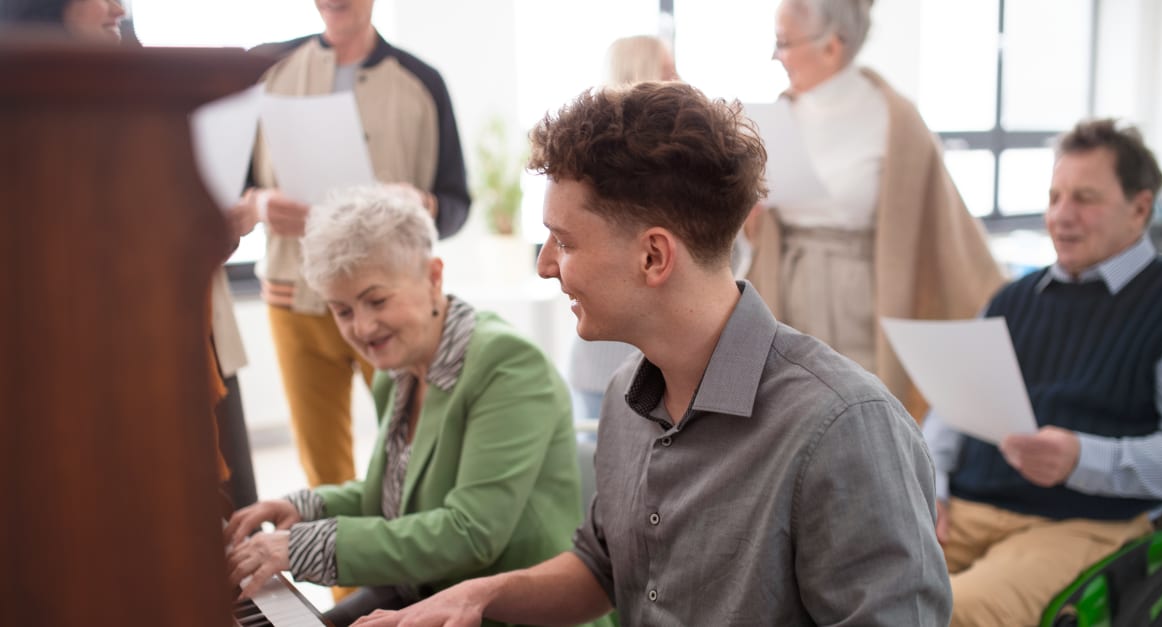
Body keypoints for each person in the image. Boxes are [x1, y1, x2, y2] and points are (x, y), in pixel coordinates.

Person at [350, 82, 951, 627]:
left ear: (654, 257)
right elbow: (604, 568)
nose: (545, 266)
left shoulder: (845, 427)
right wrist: (476, 597)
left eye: (564, 241)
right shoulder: (626, 396)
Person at [223, 187, 599, 627]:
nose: (361, 327)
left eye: (377, 301)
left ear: (433, 277)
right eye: (342, 311)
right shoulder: (397, 367)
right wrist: (307, 507)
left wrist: (302, 546)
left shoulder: (508, 367)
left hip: (503, 615)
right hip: (423, 593)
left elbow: (469, 535)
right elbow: (395, 497)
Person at [923, 119, 1162, 626]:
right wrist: (932, 484)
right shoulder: (1012, 300)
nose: (1060, 217)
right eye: (1055, 197)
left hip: (1081, 523)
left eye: (1084, 199)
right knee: (845, 587)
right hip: (963, 512)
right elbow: (951, 411)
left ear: (1140, 208)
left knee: (947, 614)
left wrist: (1082, 458)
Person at [0, 0, 261, 509]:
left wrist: (206, 231)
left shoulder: (122, 94)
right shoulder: (35, 125)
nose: (119, 7)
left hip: (165, 363)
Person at [246, 0, 471, 492]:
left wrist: (422, 203)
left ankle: (422, 568)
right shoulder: (267, 73)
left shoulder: (422, 82)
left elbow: (457, 204)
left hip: (396, 299)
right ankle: (345, 571)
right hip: (295, 301)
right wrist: (261, 204)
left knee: (420, 459)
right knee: (322, 469)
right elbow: (229, 190)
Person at [746, 0, 1005, 419]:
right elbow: (761, 227)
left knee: (860, 417)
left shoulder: (895, 119)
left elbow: (943, 226)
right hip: (786, 292)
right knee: (786, 415)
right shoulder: (779, 112)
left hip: (863, 301)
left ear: (831, 46)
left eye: (783, 43)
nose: (775, 57)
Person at [565, 35, 678, 420]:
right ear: (641, 75)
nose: (680, 79)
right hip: (608, 366)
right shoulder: (598, 167)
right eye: (668, 70)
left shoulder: (680, 160)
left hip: (651, 362)